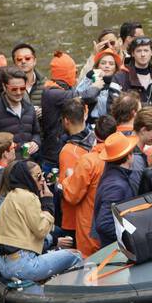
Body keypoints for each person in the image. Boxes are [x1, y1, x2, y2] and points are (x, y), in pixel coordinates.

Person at [0, 161, 83, 284]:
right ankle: (73, 296)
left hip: (5, 265)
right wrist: (48, 203)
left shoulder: (10, 197)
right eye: (38, 176)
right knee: (76, 255)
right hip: (22, 265)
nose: (42, 180)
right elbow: (41, 230)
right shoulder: (28, 197)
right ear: (26, 178)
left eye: (42, 175)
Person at [60, 115, 116, 258]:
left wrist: (68, 177)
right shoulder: (124, 157)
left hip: (90, 225)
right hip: (115, 223)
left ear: (95, 134)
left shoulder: (89, 161)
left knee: (90, 267)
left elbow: (72, 195)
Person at [92, 132, 142, 249]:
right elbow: (104, 224)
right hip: (117, 248)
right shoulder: (116, 186)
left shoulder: (113, 176)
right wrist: (132, 237)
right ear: (129, 156)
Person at [56, 98, 95, 240]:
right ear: (85, 114)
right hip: (91, 214)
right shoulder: (95, 141)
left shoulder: (69, 151)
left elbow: (67, 191)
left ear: (66, 120)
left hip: (73, 219)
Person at [39, 51, 82, 172]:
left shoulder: (56, 88)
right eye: (75, 72)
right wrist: (97, 86)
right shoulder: (54, 93)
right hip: (53, 155)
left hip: (59, 148)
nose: (76, 75)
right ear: (68, 73)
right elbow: (85, 95)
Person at [113, 36, 152, 106]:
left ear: (151, 52)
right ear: (133, 53)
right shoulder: (120, 77)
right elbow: (112, 105)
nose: (143, 54)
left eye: (146, 50)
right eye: (139, 51)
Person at [80, 48, 124, 123]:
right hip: (89, 124)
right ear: (97, 67)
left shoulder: (120, 84)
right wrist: (88, 77)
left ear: (116, 68)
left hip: (110, 124)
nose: (107, 66)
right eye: (103, 63)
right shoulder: (89, 80)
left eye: (111, 64)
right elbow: (77, 96)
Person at [9, 42, 44, 108]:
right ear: (14, 64)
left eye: (27, 58)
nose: (23, 61)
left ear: (35, 61)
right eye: (19, 59)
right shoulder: (8, 86)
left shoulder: (46, 85)